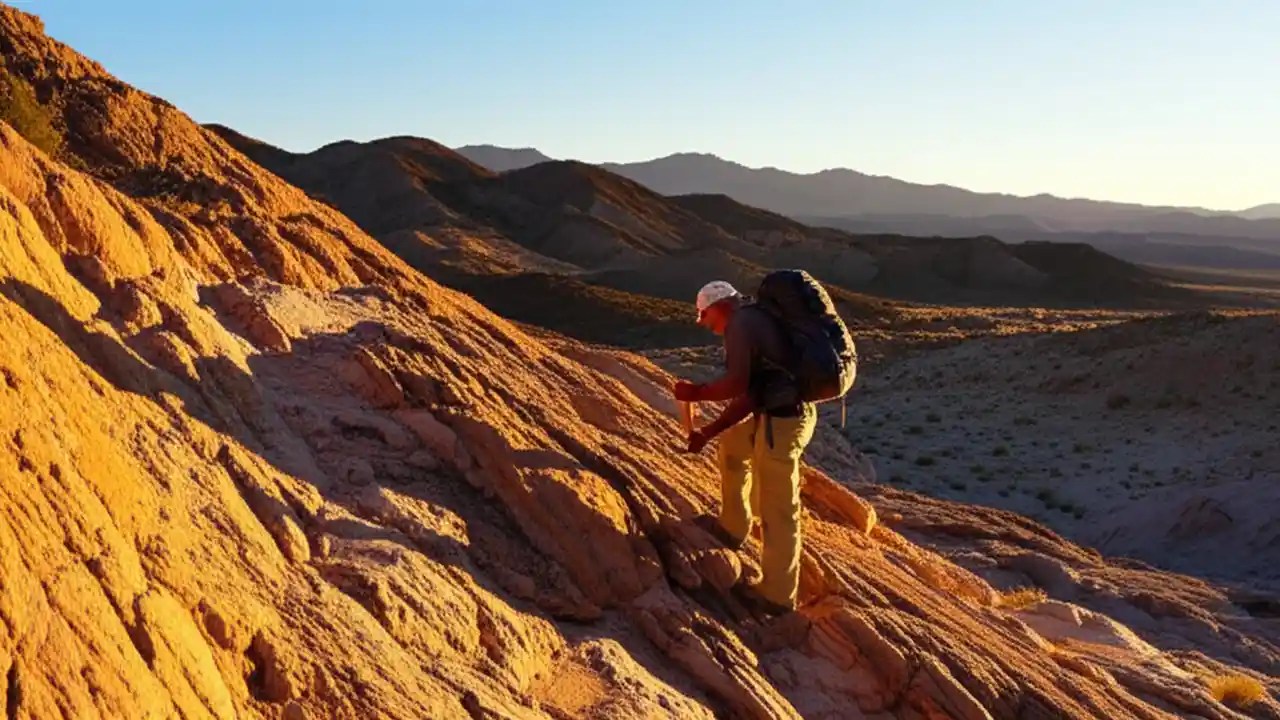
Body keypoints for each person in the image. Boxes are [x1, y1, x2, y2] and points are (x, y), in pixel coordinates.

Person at [673, 280, 818, 614]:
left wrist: (696, 393)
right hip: (771, 410)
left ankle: (778, 596)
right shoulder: (752, 319)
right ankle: (733, 527)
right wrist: (708, 433)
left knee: (778, 508)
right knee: (734, 451)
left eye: (705, 316)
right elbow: (749, 396)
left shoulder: (741, 324)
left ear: (719, 306)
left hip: (784, 420)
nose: (705, 324)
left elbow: (738, 385)